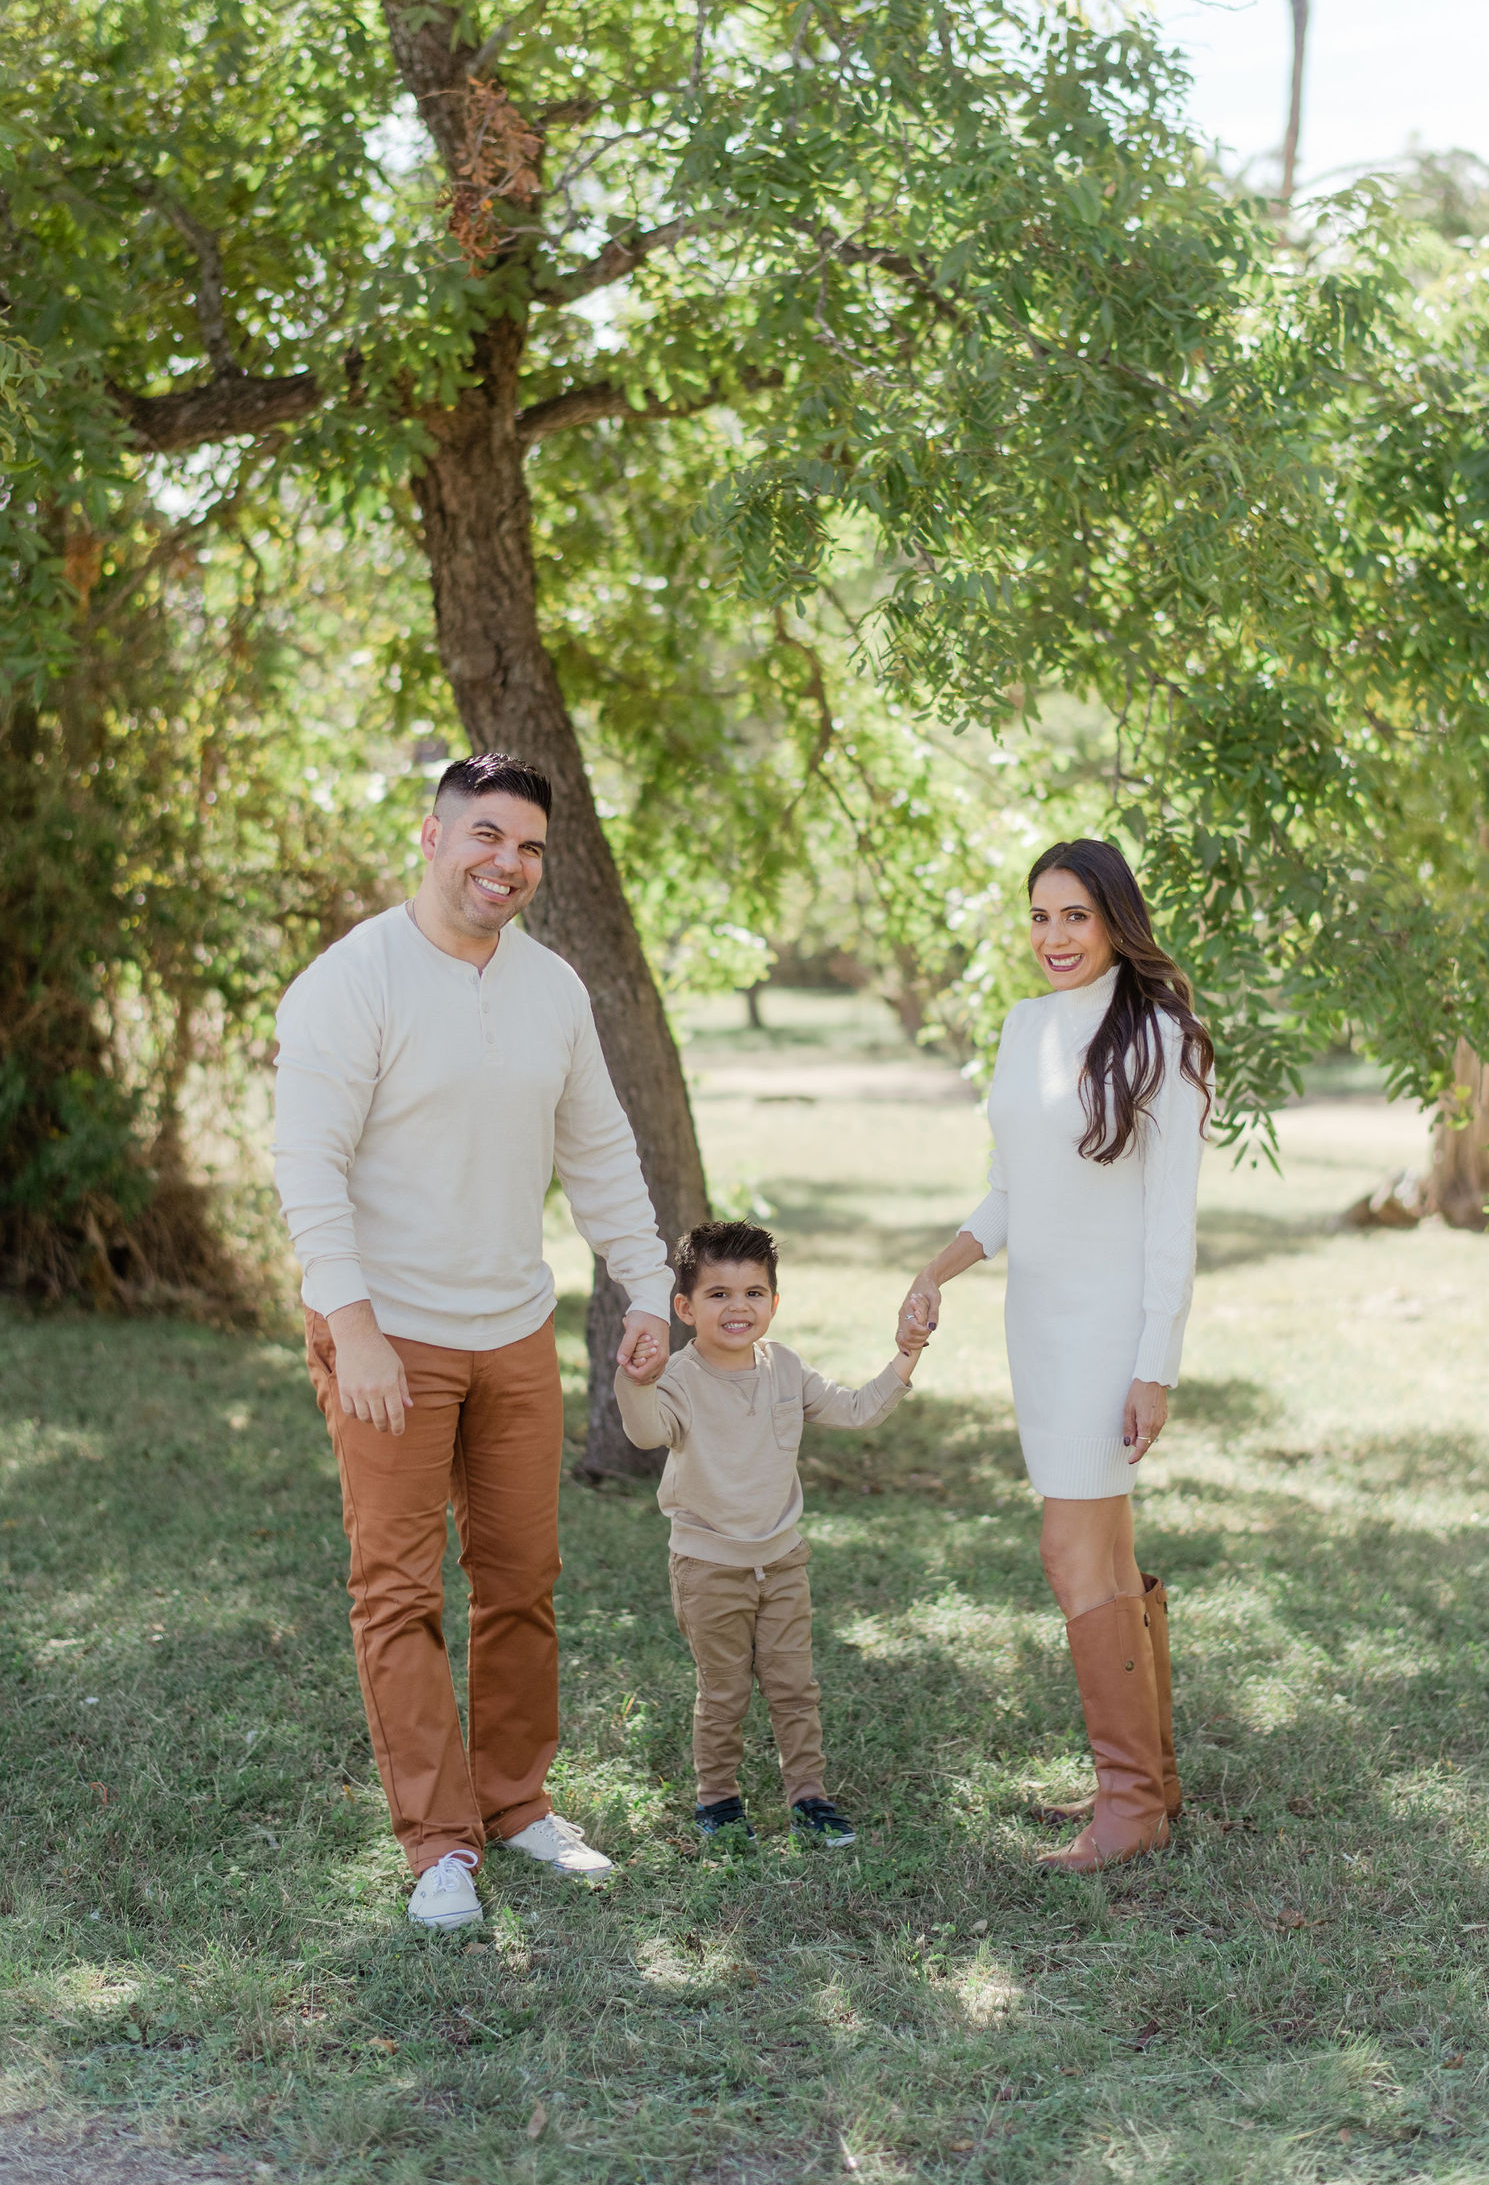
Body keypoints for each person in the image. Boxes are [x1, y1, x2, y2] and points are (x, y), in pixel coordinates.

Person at [272, 750, 674, 1930]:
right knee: (396, 1591)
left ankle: (515, 1805)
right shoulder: (352, 981)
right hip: (385, 1330)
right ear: (436, 836)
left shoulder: (553, 989)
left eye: (531, 848)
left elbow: (599, 1149)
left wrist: (646, 1285)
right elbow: (309, 1167)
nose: (508, 863)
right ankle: (438, 1846)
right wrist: (356, 1331)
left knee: (521, 1580)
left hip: (511, 1330)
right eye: (487, 837)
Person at [898, 840, 1211, 1874]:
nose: (1053, 937)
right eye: (1039, 916)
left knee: (1071, 1555)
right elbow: (1011, 1191)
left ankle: (1126, 1807)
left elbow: (1172, 1224)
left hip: (1110, 1332)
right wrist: (939, 1268)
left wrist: (1152, 1367)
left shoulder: (1163, 1039)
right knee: (1106, 1557)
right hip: (1035, 1324)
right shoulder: (1023, 1028)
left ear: (1115, 920)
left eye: (1073, 916)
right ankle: (1149, 1789)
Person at [614, 1220, 923, 1850]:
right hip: (708, 1567)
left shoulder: (784, 1366)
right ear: (685, 1307)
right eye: (718, 1294)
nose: (738, 1308)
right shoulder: (676, 1377)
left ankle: (809, 1798)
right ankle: (719, 1802)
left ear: (774, 1304)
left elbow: (856, 1409)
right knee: (723, 1690)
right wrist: (637, 1380)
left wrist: (907, 1353)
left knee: (793, 1686)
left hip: (782, 1562)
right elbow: (647, 1433)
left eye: (753, 1293)